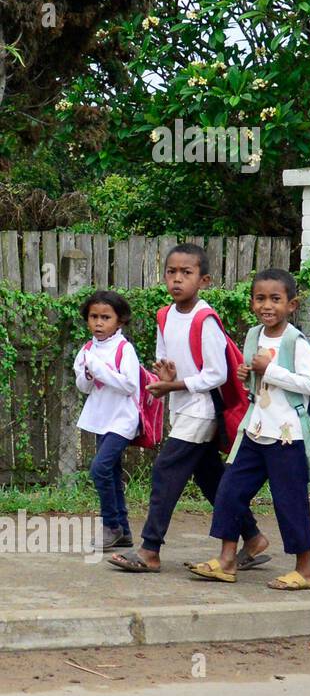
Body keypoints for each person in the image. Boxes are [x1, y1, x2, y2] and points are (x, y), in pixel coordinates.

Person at [108, 245, 267, 574]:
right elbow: (167, 361)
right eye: (171, 272)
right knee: (210, 477)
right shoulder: (165, 316)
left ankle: (150, 549)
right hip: (182, 407)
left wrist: (175, 386)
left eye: (186, 273)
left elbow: (217, 374)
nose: (177, 279)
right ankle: (252, 537)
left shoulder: (204, 319)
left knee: (165, 473)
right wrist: (166, 376)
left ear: (204, 280)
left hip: (202, 409)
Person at [188, 269, 310, 590]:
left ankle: (305, 570)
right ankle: (226, 560)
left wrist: (269, 370)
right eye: (260, 298)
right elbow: (254, 386)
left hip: (287, 436)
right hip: (256, 430)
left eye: (276, 299)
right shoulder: (252, 336)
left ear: (292, 304)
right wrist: (247, 373)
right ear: (251, 303)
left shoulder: (295, 341)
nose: (267, 305)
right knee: (229, 491)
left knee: (290, 501)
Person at [75, 290, 140, 551]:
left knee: (99, 469)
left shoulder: (124, 349)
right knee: (111, 472)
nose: (99, 323)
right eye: (94, 317)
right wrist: (89, 374)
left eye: (106, 317)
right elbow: (83, 386)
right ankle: (123, 531)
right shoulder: (87, 349)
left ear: (120, 321)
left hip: (123, 420)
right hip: (101, 418)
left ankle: (110, 525)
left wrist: (100, 369)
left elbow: (129, 385)